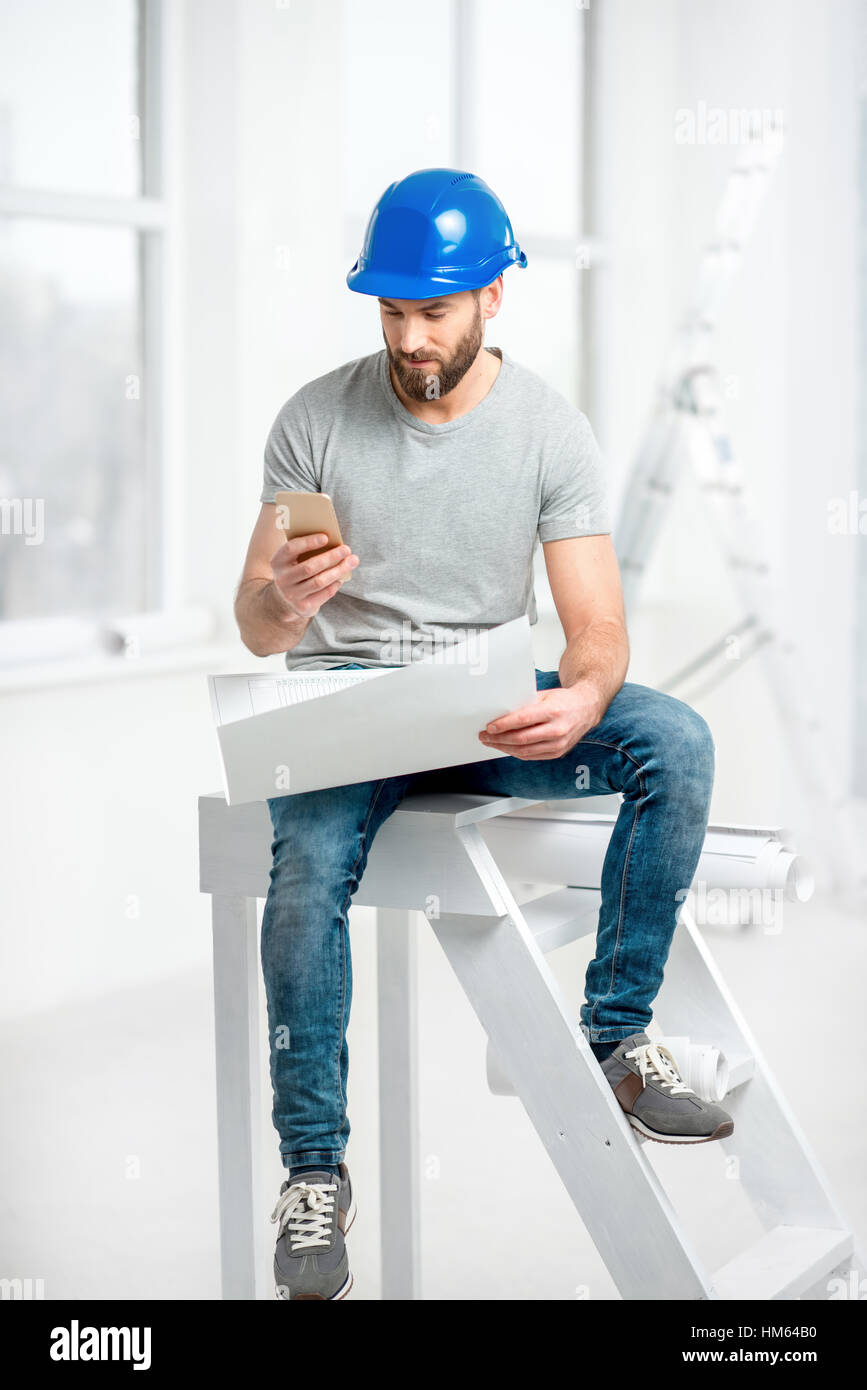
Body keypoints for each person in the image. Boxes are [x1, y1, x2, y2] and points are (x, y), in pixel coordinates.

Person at [234, 168, 732, 1301]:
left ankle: (616, 1036)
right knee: (304, 871)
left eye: (435, 313)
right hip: (351, 707)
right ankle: (315, 1171)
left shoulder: (548, 430)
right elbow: (256, 625)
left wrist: (585, 694)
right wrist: (286, 601)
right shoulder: (312, 419)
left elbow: (598, 625)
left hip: (491, 695)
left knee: (678, 740)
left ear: (494, 296)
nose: (411, 340)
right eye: (393, 312)